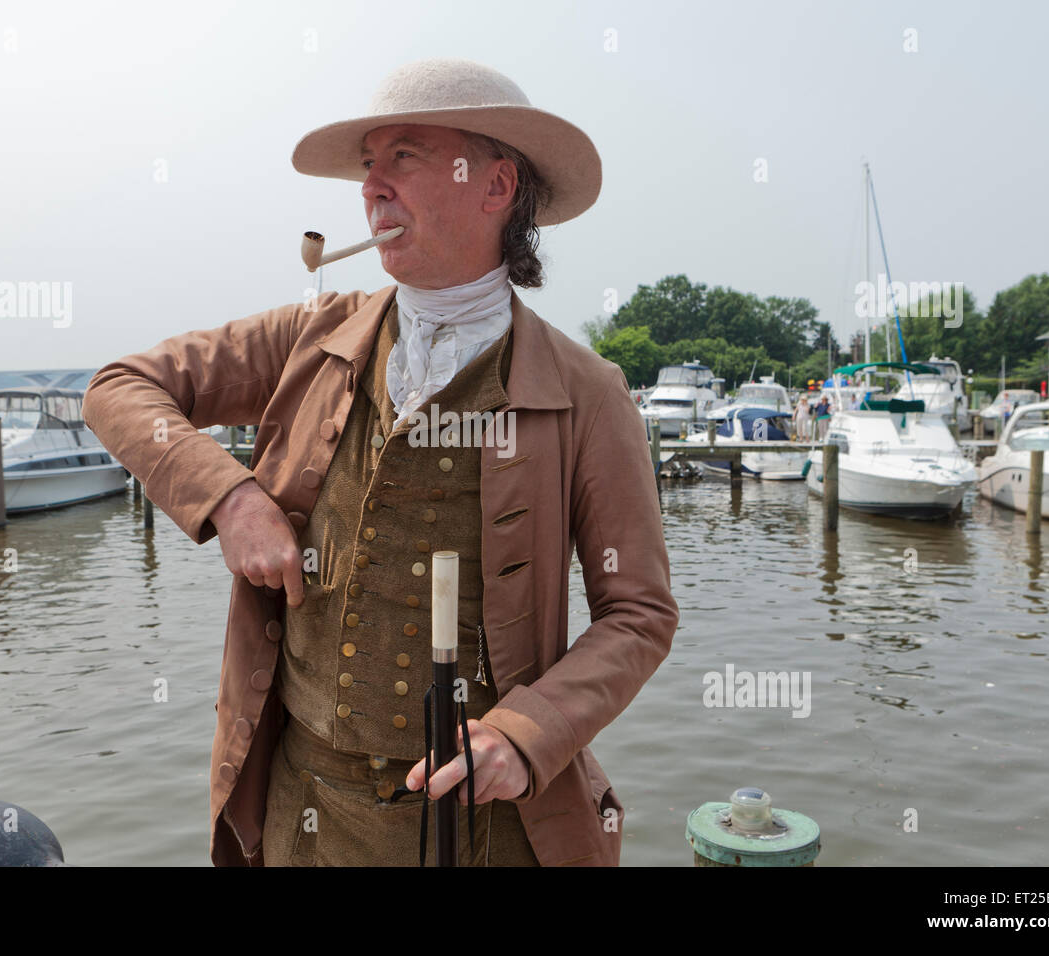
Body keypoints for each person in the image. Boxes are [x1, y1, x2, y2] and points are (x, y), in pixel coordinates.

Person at [82, 58, 678, 867]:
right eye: (369, 166)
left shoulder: (588, 392)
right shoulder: (307, 335)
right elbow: (121, 388)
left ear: (495, 186)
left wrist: (527, 735)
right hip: (303, 808)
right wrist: (231, 498)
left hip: (486, 825)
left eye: (404, 157)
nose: (372, 187)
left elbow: (638, 614)